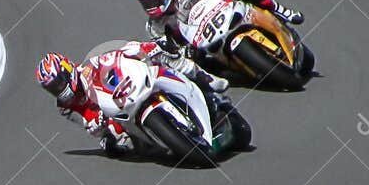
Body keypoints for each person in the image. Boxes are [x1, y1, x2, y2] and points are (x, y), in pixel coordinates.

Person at [36, 41, 231, 155]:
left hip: (128, 91)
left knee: (163, 60)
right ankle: (165, 140)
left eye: (58, 83)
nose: (58, 90)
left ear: (68, 70)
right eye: (52, 89)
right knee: (116, 145)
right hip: (114, 115)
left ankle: (206, 82)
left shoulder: (91, 66)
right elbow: (87, 120)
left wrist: (144, 48)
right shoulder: (65, 106)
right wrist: (97, 128)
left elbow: (117, 55)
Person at [134, 0, 303, 58]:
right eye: (146, 3)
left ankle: (280, 10)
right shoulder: (154, 27)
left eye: (153, 0)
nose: (151, 6)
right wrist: (181, 53)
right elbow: (167, 51)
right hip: (200, 43)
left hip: (217, 11)